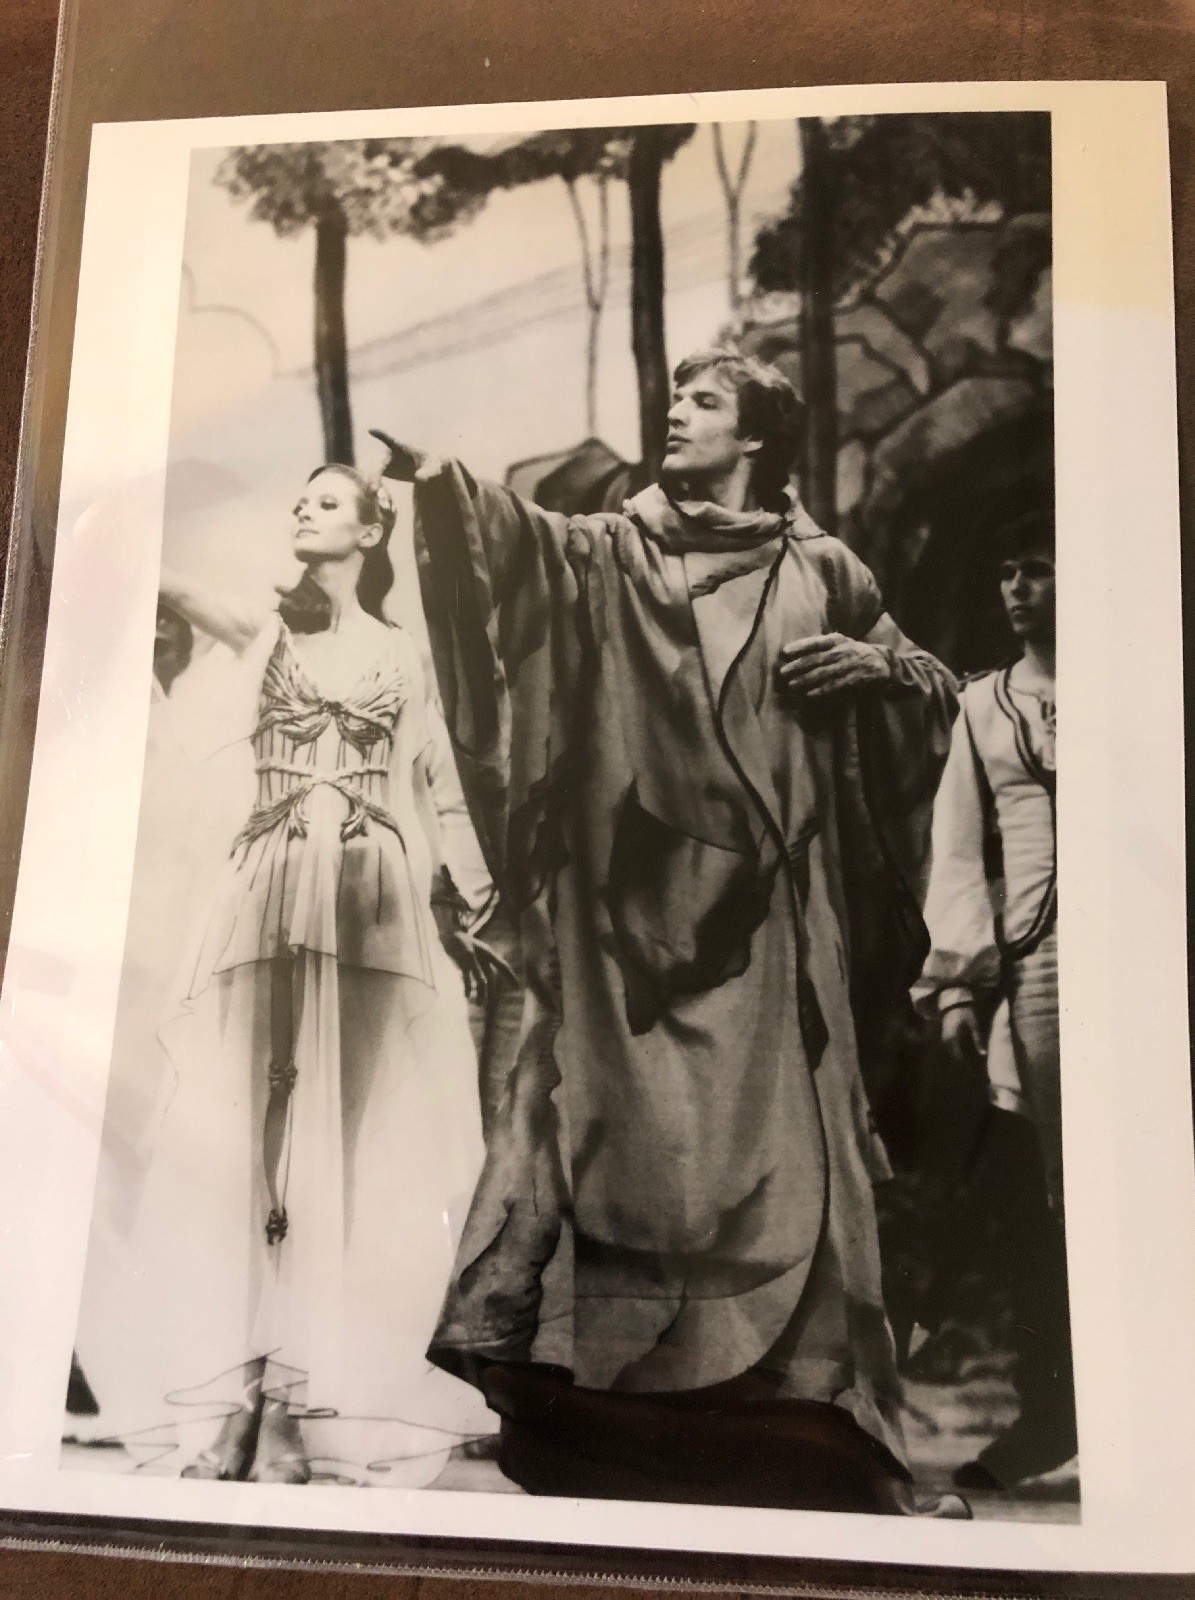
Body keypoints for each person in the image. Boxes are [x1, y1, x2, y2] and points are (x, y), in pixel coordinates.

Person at [372, 349, 962, 1515]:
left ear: (756, 439)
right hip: (617, 930)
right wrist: (445, 484)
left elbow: (933, 686)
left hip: (775, 930)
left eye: (703, 401)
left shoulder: (825, 569)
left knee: (798, 1157)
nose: (675, 414)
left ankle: (810, 1442)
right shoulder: (609, 548)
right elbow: (517, 547)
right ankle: (598, 1437)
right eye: (675, 395)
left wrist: (878, 670)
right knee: (587, 1146)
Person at [73, 464, 505, 1487]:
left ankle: (299, 1413)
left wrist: (478, 904)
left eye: (325, 500)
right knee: (254, 1158)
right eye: (296, 497)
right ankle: (239, 1405)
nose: (302, 508)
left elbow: (441, 783)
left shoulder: (403, 653)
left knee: (338, 1160)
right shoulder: (268, 633)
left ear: (371, 529)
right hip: (268, 891)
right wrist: (88, 512)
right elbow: (158, 583)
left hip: (370, 899)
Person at [914, 509, 1074, 1490]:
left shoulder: (1139, 676)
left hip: (1141, 959)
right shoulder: (986, 704)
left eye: (1041, 569)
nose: (1020, 588)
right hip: (1039, 964)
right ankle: (1051, 1410)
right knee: (1044, 1189)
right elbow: (961, 850)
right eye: (1008, 572)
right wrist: (963, 982)